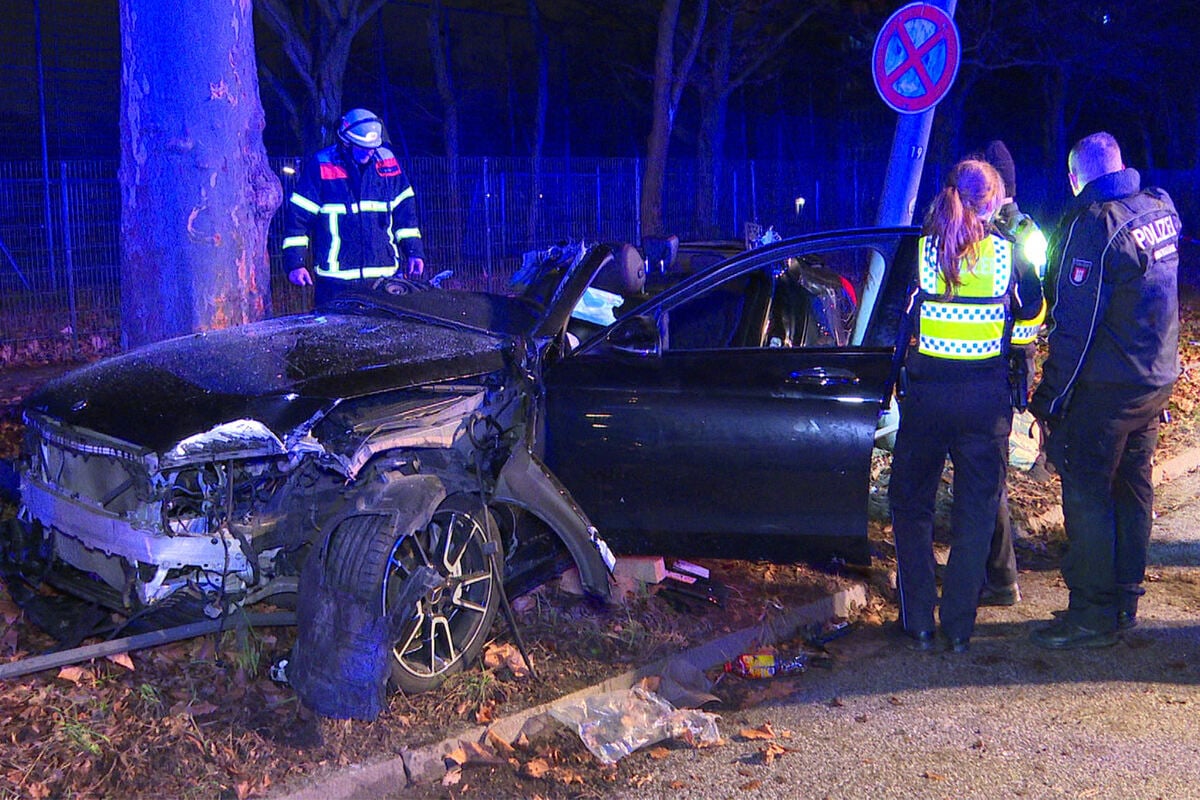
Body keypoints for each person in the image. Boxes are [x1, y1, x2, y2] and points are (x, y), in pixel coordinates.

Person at [1028, 132, 1182, 649]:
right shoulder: (1159, 207)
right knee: (1133, 489)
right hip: (1153, 381)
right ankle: (1123, 600)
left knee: (1088, 495)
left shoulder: (1094, 226)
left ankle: (1092, 614)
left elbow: (1076, 327)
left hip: (1106, 392)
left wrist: (1051, 398)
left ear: (1076, 177)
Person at [889, 158, 1045, 653]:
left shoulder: (920, 251)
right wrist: (1002, 344)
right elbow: (1032, 317)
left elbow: (896, 320)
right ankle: (958, 628)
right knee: (976, 511)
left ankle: (917, 621)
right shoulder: (1008, 253)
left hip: (927, 398)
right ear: (993, 203)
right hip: (985, 401)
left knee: (910, 504)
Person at [975, 140, 1050, 608]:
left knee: (990, 476)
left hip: (1001, 366)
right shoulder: (1014, 230)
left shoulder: (1019, 233)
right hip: (1000, 365)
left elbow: (1036, 305)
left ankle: (1000, 577)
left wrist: (1012, 347)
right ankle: (993, 570)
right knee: (990, 474)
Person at [283, 108, 425, 305]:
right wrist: (295, 263)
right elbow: (298, 219)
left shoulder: (388, 164)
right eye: (364, 147)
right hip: (336, 282)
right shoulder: (322, 165)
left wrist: (414, 252)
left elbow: (406, 215)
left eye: (374, 147)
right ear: (346, 142)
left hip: (384, 278)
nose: (370, 151)